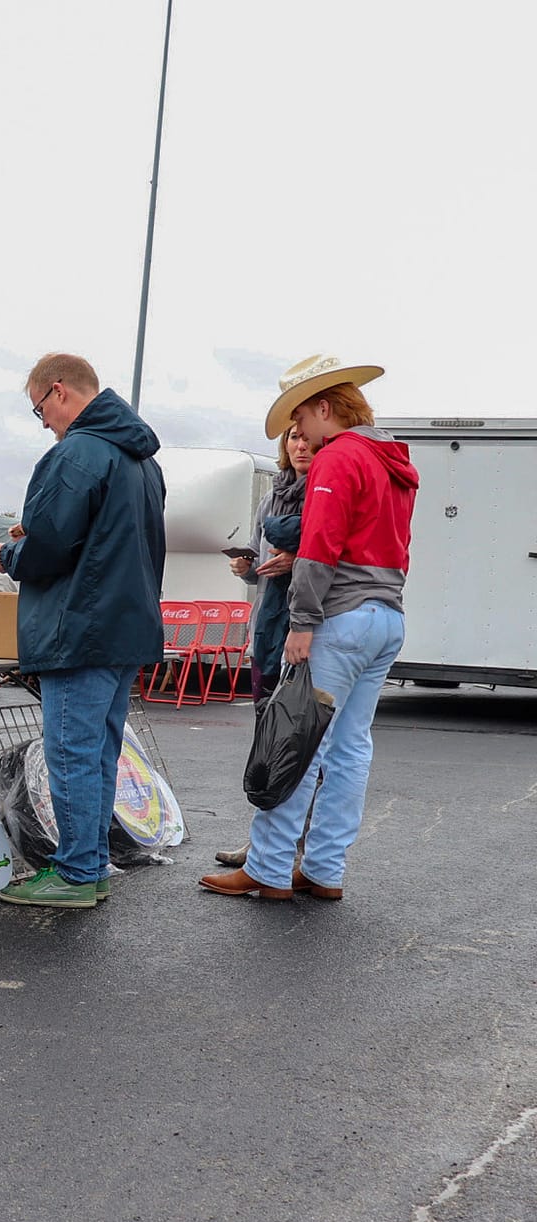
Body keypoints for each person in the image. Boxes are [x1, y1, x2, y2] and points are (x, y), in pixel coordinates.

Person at [201, 355, 416, 902]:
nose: (298, 430)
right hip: (387, 614)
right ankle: (323, 870)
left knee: (297, 740)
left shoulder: (338, 456)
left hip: (340, 618)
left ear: (324, 406)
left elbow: (320, 547)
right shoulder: (393, 459)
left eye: (299, 415)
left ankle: (269, 868)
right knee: (350, 749)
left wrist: (302, 621)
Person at [0, 353, 165, 909]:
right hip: (126, 627)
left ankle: (78, 872)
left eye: (40, 409)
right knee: (100, 753)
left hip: (79, 629)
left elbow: (49, 547)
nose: (44, 423)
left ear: (59, 391)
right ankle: (91, 864)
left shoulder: (77, 452)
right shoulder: (142, 461)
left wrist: (9, 556)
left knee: (71, 755)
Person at [213, 423, 312, 868]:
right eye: (293, 437)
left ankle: (300, 845)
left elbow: (336, 558)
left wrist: (299, 559)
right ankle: (264, 840)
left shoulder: (325, 492)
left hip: (306, 630)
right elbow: (259, 561)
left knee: (302, 746)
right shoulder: (271, 498)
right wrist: (246, 567)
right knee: (266, 742)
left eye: (307, 437)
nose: (300, 445)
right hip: (268, 632)